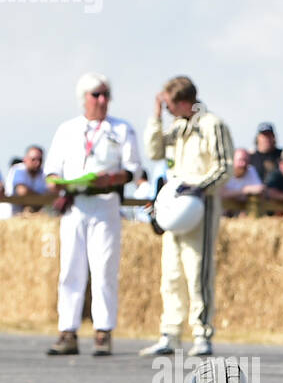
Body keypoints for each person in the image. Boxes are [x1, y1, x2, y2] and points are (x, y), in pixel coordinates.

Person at [43, 72, 142, 357]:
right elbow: (52, 170)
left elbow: (133, 169)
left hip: (105, 202)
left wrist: (111, 178)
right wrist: (55, 182)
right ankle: (67, 330)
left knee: (104, 268)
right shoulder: (67, 129)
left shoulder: (122, 129)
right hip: (75, 204)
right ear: (84, 98)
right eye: (96, 94)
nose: (102, 100)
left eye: (105, 95)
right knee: (70, 269)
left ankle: (103, 331)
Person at [138, 75, 235, 358]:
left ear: (182, 101)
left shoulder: (211, 125)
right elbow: (154, 151)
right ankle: (170, 332)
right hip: (174, 207)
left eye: (168, 104)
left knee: (197, 272)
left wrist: (198, 188)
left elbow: (223, 167)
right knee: (171, 273)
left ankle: (202, 333)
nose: (166, 109)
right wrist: (155, 117)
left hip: (198, 207)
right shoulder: (177, 127)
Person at [0, 145, 47, 219]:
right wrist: (40, 199)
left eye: (40, 160)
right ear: (25, 159)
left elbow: (51, 191)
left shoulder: (42, 173)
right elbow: (22, 191)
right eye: (33, 159)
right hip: (11, 216)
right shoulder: (19, 169)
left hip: (29, 217)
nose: (37, 163)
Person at [221, 147, 264, 213]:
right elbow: (221, 193)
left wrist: (235, 194)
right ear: (233, 160)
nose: (243, 164)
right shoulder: (224, 172)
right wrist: (245, 190)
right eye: (241, 160)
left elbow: (260, 189)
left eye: (246, 161)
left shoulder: (251, 170)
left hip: (242, 215)